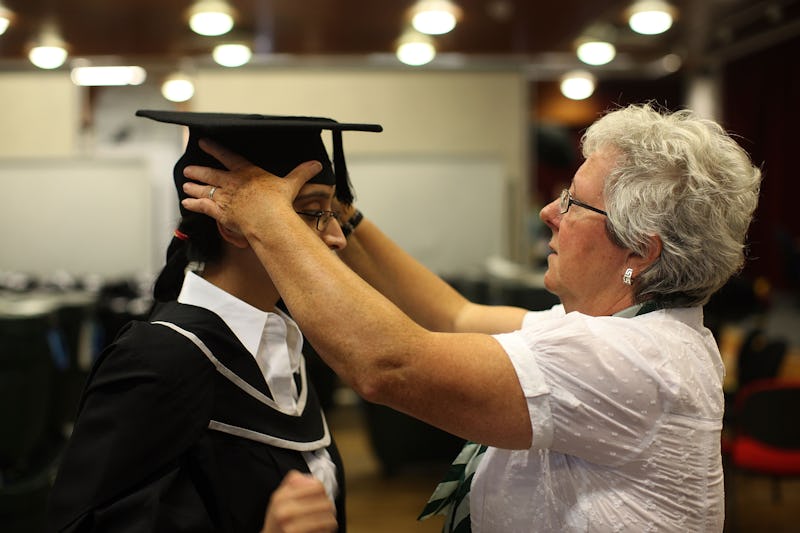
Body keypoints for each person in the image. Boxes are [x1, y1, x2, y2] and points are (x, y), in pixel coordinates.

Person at [179, 102, 761, 532]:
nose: (549, 211)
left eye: (574, 203)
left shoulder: (628, 361)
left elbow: (387, 364)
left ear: (639, 250)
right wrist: (341, 217)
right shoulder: (631, 335)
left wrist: (269, 217)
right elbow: (453, 315)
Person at [46, 110, 382, 532]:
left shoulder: (282, 341)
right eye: (313, 211)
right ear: (234, 224)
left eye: (333, 214)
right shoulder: (157, 358)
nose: (336, 237)